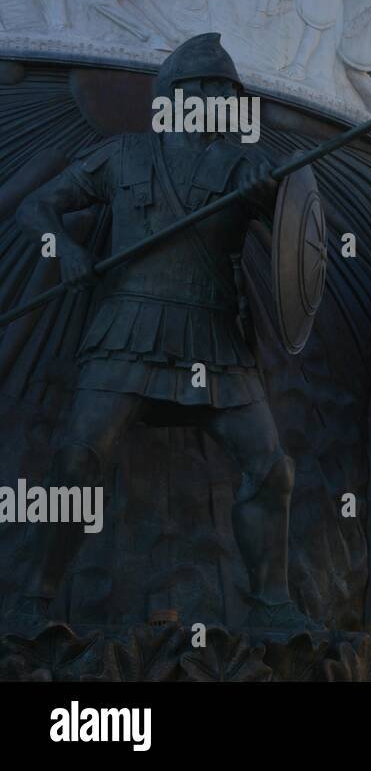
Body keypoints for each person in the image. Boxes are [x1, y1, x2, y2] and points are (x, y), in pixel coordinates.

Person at [5, 33, 318, 634]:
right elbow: (35, 209)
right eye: (201, 90)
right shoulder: (121, 156)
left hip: (214, 334)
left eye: (222, 93)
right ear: (173, 99)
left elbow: (298, 225)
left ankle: (272, 607)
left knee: (272, 468)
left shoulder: (245, 166)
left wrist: (272, 194)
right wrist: (65, 249)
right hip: (128, 325)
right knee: (76, 460)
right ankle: (33, 603)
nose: (212, 101)